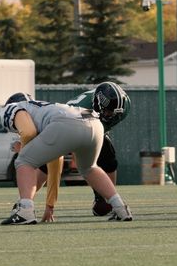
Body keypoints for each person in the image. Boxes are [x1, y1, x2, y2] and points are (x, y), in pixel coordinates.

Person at [0, 93, 132, 225]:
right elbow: (55, 163)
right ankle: (120, 208)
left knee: (24, 161)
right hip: (94, 122)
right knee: (90, 168)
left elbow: (28, 132)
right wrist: (50, 205)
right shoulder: (43, 111)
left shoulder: (13, 108)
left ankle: (25, 211)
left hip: (67, 123)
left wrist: (24, 149)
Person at [33, 82, 131, 220]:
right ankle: (25, 201)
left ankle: (106, 199)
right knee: (45, 164)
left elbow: (103, 128)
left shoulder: (124, 107)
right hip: (68, 123)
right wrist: (50, 206)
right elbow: (58, 162)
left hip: (90, 124)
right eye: (108, 111)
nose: (111, 116)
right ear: (97, 104)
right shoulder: (79, 111)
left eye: (114, 112)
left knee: (108, 159)